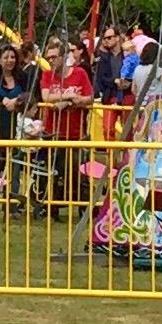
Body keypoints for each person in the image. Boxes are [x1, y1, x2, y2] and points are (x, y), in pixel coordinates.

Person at [40, 42, 94, 218]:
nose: (51, 61)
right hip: (53, 132)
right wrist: (69, 96)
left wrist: (69, 103)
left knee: (79, 173)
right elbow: (46, 96)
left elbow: (89, 97)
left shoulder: (79, 73)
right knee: (53, 172)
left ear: (64, 57)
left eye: (54, 57)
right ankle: (51, 208)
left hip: (76, 133)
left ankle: (85, 209)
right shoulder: (47, 75)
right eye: (49, 58)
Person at [0, 43, 25, 140]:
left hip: (16, 125)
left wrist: (17, 100)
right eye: (6, 57)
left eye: (13, 57)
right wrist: (1, 99)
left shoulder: (22, 76)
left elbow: (29, 94)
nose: (10, 60)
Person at [93, 26, 123, 104]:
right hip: (109, 97)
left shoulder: (126, 55)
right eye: (105, 38)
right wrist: (114, 81)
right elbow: (101, 78)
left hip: (125, 97)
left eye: (109, 38)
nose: (106, 40)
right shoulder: (102, 57)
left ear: (117, 38)